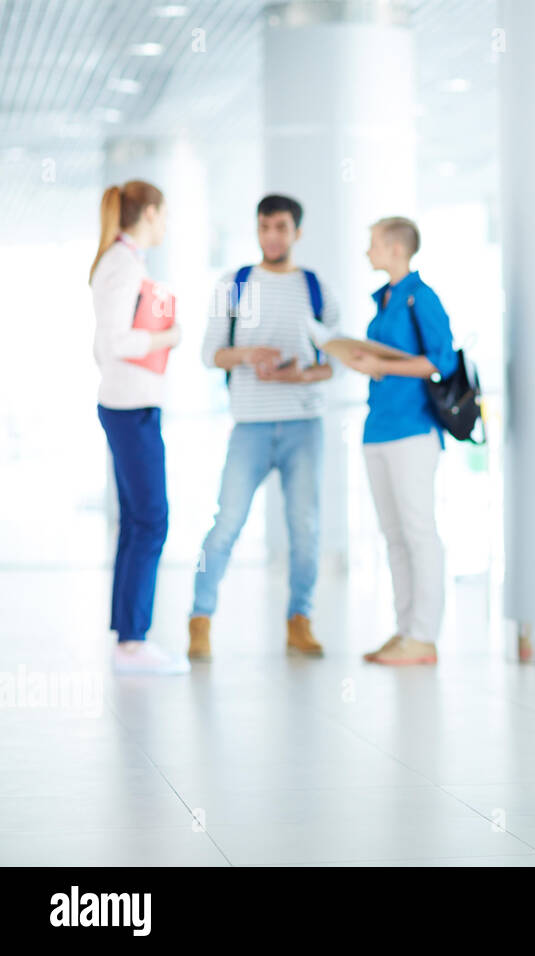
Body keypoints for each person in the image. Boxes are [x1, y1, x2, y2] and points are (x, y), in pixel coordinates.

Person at [188, 194, 340, 659]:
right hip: (250, 425)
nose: (271, 236)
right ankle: (200, 619)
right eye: (263, 227)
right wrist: (247, 355)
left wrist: (301, 373)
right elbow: (209, 353)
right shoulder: (234, 284)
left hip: (303, 425)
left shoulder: (315, 288)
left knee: (306, 527)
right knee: (226, 523)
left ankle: (300, 619)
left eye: (279, 227)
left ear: (296, 231)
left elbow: (335, 362)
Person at [337, 216, 457, 666]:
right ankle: (405, 629)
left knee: (418, 532)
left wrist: (382, 366)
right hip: (379, 428)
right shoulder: (384, 300)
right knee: (393, 535)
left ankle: (424, 636)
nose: (367, 251)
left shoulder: (420, 297)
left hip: (414, 429)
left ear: (393, 248)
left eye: (372, 244)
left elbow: (439, 361)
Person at [91, 180, 189, 675]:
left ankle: (128, 637)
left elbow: (101, 345)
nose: (166, 225)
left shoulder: (121, 261)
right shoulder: (123, 264)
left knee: (137, 522)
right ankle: (132, 641)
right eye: (164, 214)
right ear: (148, 213)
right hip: (131, 408)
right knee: (151, 519)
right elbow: (115, 342)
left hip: (128, 404)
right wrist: (168, 334)